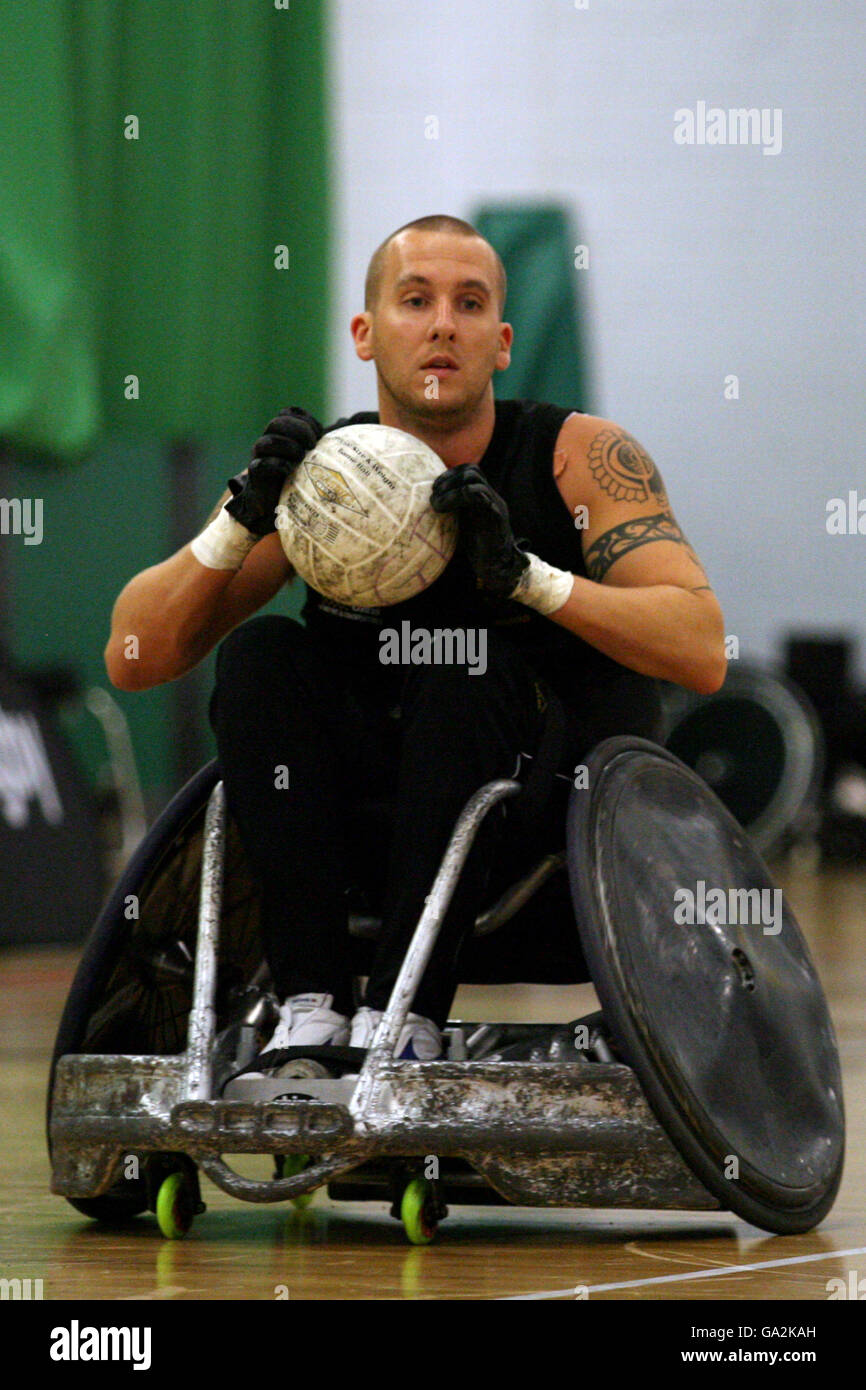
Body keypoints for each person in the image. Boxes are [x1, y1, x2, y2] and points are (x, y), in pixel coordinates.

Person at [105, 214, 726, 1068]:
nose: (442, 324)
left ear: (502, 343)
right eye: (415, 300)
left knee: (461, 659)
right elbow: (135, 658)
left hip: (539, 826)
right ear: (365, 334)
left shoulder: (578, 457)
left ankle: (410, 1016)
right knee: (259, 657)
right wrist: (239, 523)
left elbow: (701, 647)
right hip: (360, 822)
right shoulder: (328, 480)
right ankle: (313, 1009)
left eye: (469, 305)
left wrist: (528, 579)